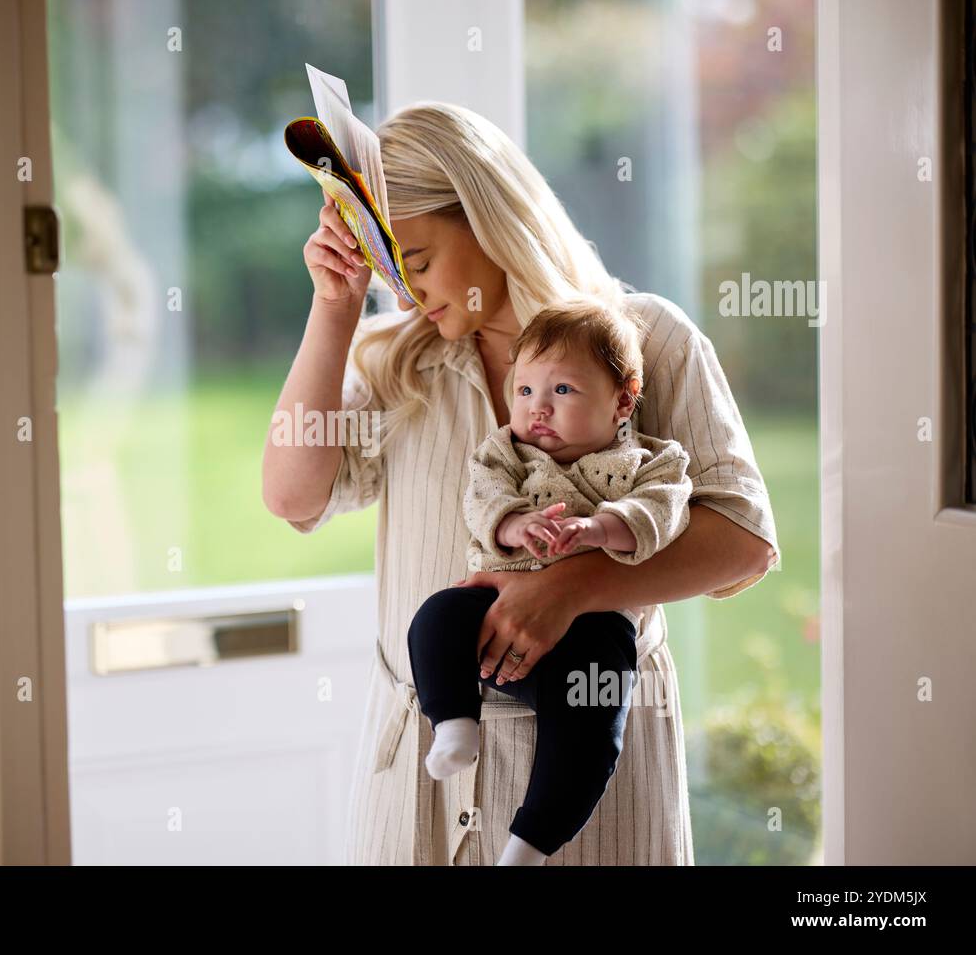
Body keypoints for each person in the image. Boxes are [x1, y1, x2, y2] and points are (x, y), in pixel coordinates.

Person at [261, 101, 780, 865]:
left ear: (486, 215)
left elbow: (743, 542)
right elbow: (292, 494)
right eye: (388, 270)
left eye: (421, 261)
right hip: (420, 785)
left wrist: (571, 588)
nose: (403, 293)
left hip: (592, 781)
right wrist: (335, 307)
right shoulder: (398, 360)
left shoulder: (649, 341)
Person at [406, 297, 692, 865]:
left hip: (592, 629)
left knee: (593, 724)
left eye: (562, 391)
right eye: (525, 390)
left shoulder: (651, 461)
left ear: (623, 401)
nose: (538, 409)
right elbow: (482, 496)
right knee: (436, 615)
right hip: (496, 600)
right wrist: (514, 524)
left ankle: (531, 842)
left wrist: (600, 528)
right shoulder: (507, 451)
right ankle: (454, 723)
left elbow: (664, 512)